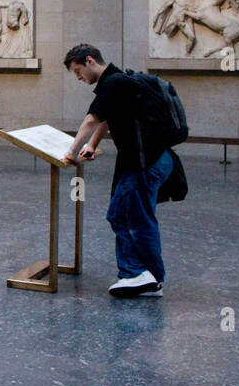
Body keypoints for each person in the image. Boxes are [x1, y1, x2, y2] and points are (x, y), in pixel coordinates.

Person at [62, 44, 173, 298]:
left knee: (127, 217)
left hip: (144, 163)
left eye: (78, 71)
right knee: (133, 217)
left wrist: (71, 152)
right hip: (151, 160)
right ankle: (148, 278)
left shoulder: (112, 83)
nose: (78, 78)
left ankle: (137, 274)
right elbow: (107, 119)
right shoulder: (120, 79)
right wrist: (91, 145)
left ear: (90, 61)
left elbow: (91, 119)